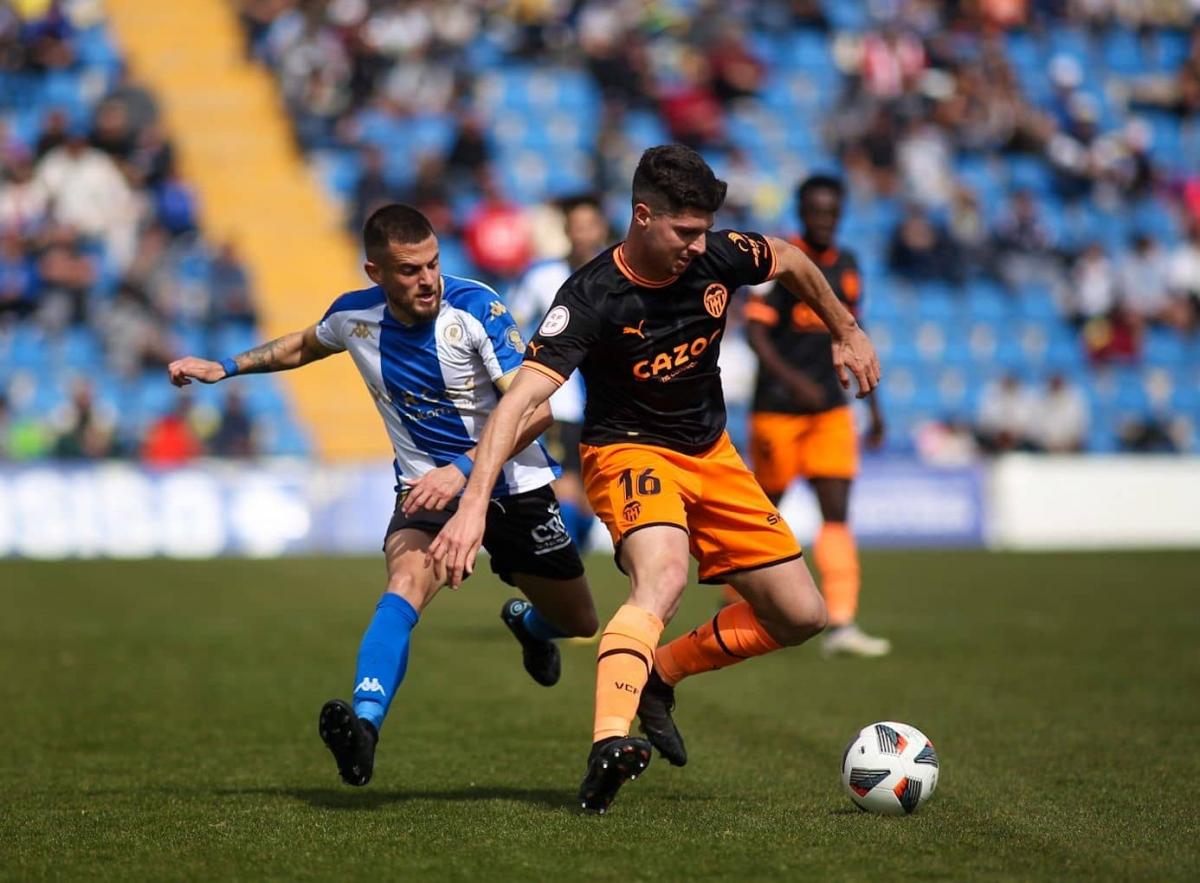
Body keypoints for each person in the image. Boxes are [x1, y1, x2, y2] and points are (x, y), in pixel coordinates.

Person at [428, 145, 880, 813]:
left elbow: (789, 259)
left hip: (711, 452)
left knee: (801, 615)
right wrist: (471, 504)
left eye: (706, 231)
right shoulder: (591, 295)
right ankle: (607, 742)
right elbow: (522, 398)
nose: (701, 247)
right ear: (643, 216)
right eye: (686, 232)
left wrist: (847, 329)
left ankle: (661, 675)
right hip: (627, 452)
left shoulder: (718, 255)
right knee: (661, 577)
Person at [167, 204, 598, 788]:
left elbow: (536, 409)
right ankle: (364, 730)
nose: (427, 280)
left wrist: (463, 468)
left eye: (433, 264)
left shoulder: (476, 308)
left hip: (513, 486)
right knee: (404, 585)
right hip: (425, 488)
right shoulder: (355, 317)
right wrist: (226, 367)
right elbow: (304, 345)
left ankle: (527, 623)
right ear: (375, 272)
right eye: (409, 270)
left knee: (576, 619)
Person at [742, 174, 890, 658]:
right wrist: (792, 381)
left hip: (830, 408)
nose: (824, 220)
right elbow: (757, 335)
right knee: (765, 511)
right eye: (816, 212)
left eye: (832, 212)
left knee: (837, 513)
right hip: (778, 411)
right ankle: (741, 597)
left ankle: (842, 621)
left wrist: (875, 402)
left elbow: (853, 327)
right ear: (801, 212)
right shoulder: (780, 261)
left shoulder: (847, 264)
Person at [506, 194, 613, 551]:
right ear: (567, 230)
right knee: (565, 482)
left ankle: (575, 558)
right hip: (561, 401)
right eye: (576, 226)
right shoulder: (541, 276)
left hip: (609, 398)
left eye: (590, 225)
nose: (583, 233)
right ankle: (566, 564)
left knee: (590, 494)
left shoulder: (619, 273)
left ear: (601, 228)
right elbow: (512, 324)